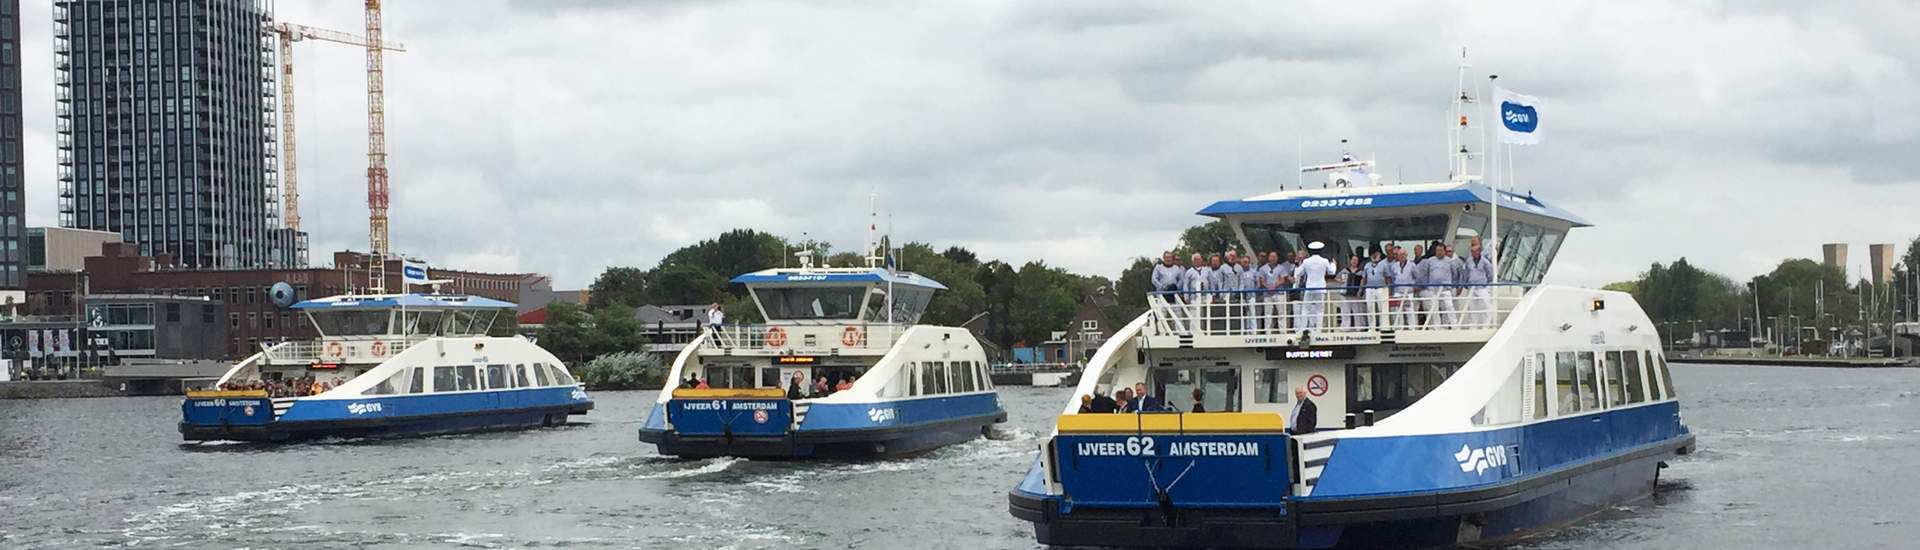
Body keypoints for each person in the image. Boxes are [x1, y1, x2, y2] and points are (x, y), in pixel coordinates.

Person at [1293, 241, 1334, 334]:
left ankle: (1303, 328)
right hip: (1320, 288)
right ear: (1320, 251)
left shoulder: (1306, 261)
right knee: (1319, 310)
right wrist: (1333, 264)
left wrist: (1299, 264)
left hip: (1309, 288)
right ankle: (1318, 330)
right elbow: (1331, 272)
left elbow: (1299, 273)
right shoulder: (1325, 261)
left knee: (1305, 309)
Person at [1462, 237, 1498, 327]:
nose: (1473, 254)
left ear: (1479, 251)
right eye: (1472, 252)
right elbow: (1466, 272)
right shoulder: (1469, 261)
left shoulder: (1485, 261)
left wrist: (1486, 283)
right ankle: (1472, 325)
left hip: (1482, 286)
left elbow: (1490, 273)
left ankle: (1486, 324)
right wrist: (1466, 283)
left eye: (1474, 252)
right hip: (1471, 286)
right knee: (1471, 307)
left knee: (1485, 305)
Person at [1179, 252, 1209, 333]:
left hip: (1205, 296)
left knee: (1206, 314)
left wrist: (1212, 295)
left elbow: (1211, 282)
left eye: (1199, 259)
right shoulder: (1189, 272)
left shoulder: (1206, 270)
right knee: (1194, 315)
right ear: (1193, 261)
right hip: (1194, 297)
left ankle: (1206, 331)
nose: (1197, 261)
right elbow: (1185, 285)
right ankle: (1193, 332)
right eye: (1195, 260)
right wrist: (1186, 297)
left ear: (1201, 260)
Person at [1235, 255, 1258, 334]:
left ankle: (1253, 331)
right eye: (1245, 262)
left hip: (1251, 295)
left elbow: (1257, 283)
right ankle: (1244, 330)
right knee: (1243, 313)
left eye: (1248, 262)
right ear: (1241, 263)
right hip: (1242, 296)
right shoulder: (1238, 272)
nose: (1246, 264)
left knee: (1252, 313)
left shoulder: (1254, 272)